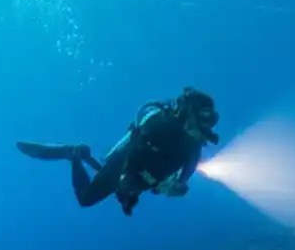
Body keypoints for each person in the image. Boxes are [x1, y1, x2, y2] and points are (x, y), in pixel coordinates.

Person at [17, 87, 220, 215]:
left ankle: (84, 157)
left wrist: (175, 188)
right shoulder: (162, 124)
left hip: (138, 178)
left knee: (112, 186)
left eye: (209, 120)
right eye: (203, 118)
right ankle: (73, 155)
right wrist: (126, 184)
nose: (206, 126)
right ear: (189, 112)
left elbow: (178, 180)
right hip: (125, 164)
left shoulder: (193, 150)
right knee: (86, 199)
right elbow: (134, 151)